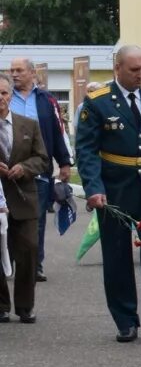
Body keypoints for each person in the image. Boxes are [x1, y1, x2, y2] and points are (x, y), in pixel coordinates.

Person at [75, 45, 141, 344]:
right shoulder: (97, 102)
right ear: (117, 69)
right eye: (134, 70)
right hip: (115, 190)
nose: (140, 75)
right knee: (117, 255)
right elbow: (86, 151)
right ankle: (126, 320)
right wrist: (94, 188)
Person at [9, 58, 72, 284]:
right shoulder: (4, 96)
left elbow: (57, 132)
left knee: (36, 220)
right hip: (7, 170)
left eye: (19, 70)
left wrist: (64, 162)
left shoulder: (47, 100)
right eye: (12, 70)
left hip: (38, 168)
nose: (15, 74)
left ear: (32, 73)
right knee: (8, 219)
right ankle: (9, 263)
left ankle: (35, 264)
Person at [0, 75, 49, 324]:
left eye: (4, 93)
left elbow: (42, 158)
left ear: (10, 96)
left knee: (29, 250)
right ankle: (1, 305)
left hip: (24, 197)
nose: (0, 98)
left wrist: (25, 167)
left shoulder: (29, 125)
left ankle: (25, 306)